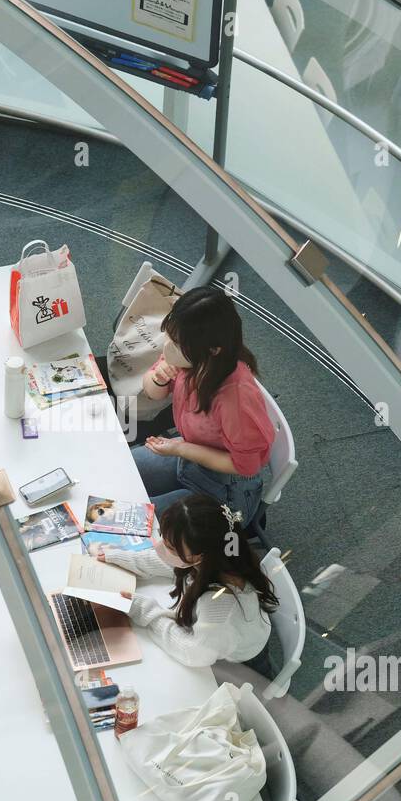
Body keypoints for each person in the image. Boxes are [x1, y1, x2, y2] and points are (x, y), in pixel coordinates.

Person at [131, 286, 276, 522]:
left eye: (176, 343)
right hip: (190, 459)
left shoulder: (236, 400)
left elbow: (245, 466)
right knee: (120, 473)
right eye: (169, 335)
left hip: (226, 494)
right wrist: (159, 378)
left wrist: (180, 448)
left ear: (214, 350)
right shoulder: (190, 354)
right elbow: (153, 392)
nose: (168, 347)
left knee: (135, 519)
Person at [92, 494, 277, 668]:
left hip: (240, 664)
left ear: (201, 556)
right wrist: (116, 558)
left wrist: (141, 608)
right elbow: (170, 563)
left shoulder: (219, 605)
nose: (159, 547)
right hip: (226, 636)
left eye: (171, 547)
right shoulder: (225, 554)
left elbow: (193, 654)